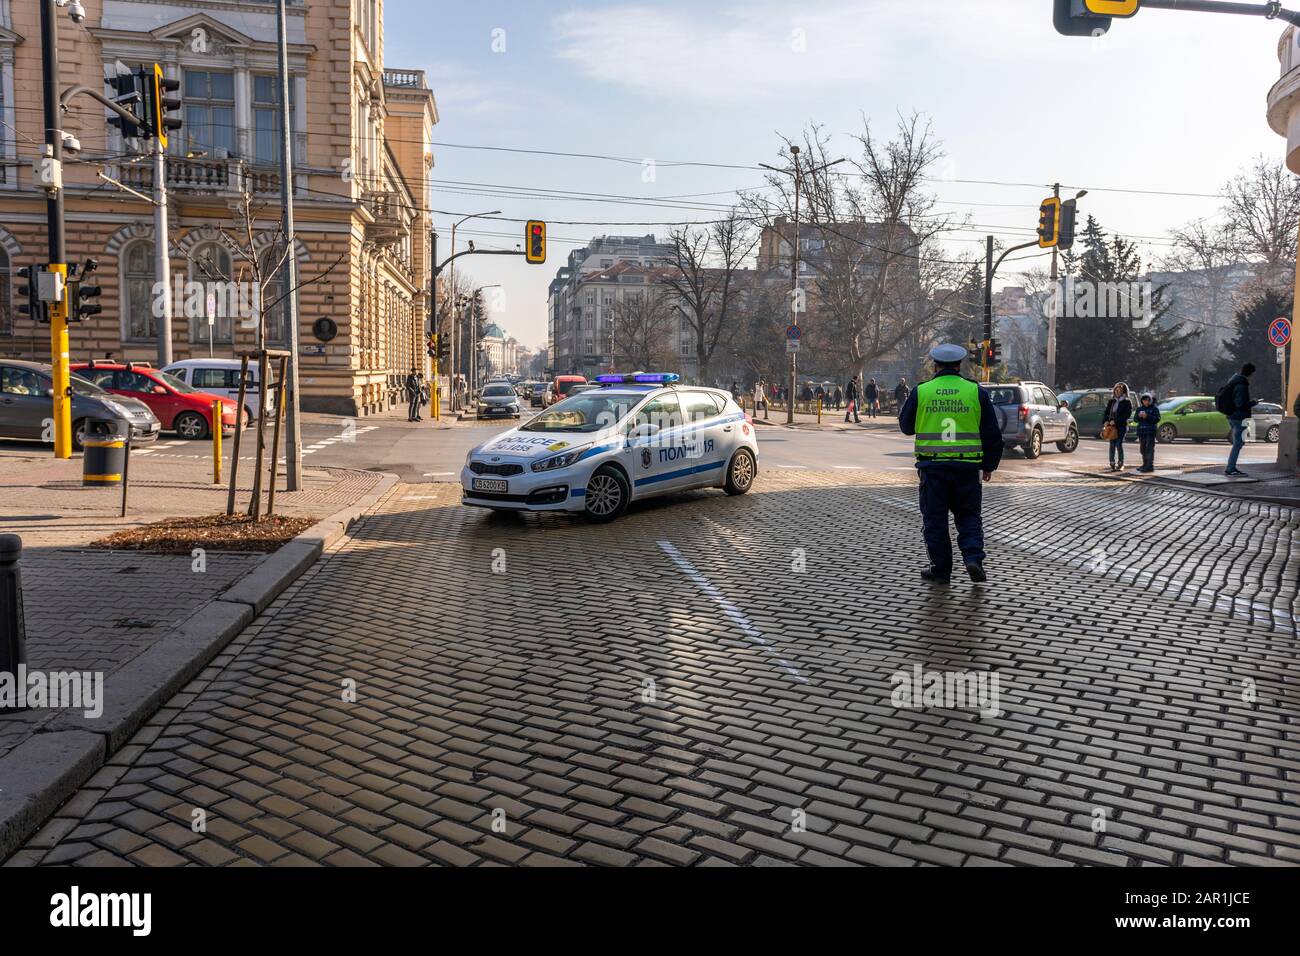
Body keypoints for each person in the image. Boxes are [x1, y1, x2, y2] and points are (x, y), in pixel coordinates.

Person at [899, 345, 1003, 583]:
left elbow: (906, 427)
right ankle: (973, 558)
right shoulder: (975, 392)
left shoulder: (922, 391)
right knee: (969, 517)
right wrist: (989, 465)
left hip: (933, 471)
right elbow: (992, 434)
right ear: (959, 365)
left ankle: (941, 570)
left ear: (935, 366)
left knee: (935, 521)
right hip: (967, 470)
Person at [1223, 362, 1259, 477]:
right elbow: (1240, 404)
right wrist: (1253, 402)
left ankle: (1231, 467)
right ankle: (1231, 468)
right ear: (1250, 373)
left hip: (1232, 415)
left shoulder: (1234, 381)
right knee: (1238, 444)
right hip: (1239, 417)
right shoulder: (1242, 384)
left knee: (1239, 442)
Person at [1102, 382, 1132, 472]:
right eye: (1116, 390)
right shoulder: (1112, 401)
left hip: (1121, 426)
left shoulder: (1127, 402)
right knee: (1112, 444)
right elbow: (1106, 413)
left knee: (1119, 444)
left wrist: (1116, 421)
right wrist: (1106, 421)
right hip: (1112, 427)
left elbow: (1127, 415)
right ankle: (1112, 462)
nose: (1117, 392)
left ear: (1123, 392)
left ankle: (1121, 463)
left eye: (1119, 391)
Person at [1134, 392, 1161, 473]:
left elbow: (1157, 419)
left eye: (1147, 400)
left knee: (1149, 449)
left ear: (1150, 400)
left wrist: (1147, 416)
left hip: (1150, 431)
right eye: (1144, 400)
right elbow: (1135, 419)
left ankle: (1149, 466)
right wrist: (1139, 416)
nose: (1145, 402)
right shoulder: (1139, 409)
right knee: (1142, 449)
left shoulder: (1154, 409)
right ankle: (1145, 464)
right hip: (1142, 431)